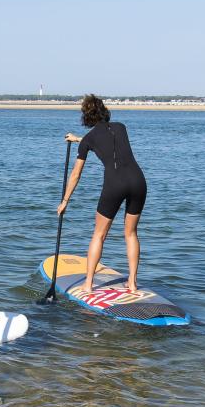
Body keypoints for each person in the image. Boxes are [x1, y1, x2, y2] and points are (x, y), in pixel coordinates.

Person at [55, 93, 147, 296]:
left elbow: (76, 174)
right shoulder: (121, 127)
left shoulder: (88, 140)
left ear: (86, 117)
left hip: (115, 184)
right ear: (104, 111)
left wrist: (64, 201)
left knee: (99, 234)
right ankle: (132, 283)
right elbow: (107, 142)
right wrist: (79, 140)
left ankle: (88, 285)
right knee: (131, 233)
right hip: (139, 181)